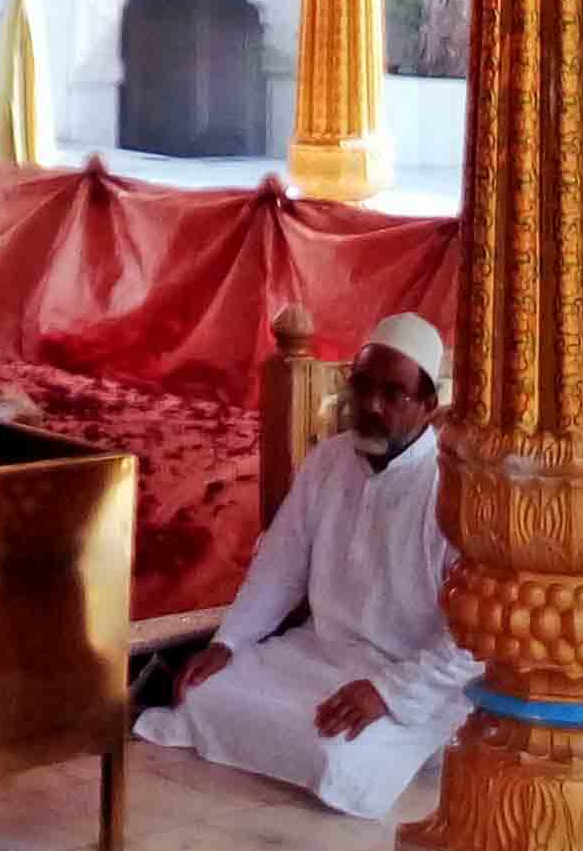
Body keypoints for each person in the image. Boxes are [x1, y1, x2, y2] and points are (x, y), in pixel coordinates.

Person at [135, 311, 481, 819]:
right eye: (362, 387)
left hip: (412, 680)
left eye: (393, 394)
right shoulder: (328, 462)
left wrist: (388, 693)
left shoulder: (455, 489)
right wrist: (229, 642)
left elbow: (476, 636)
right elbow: (279, 566)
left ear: (429, 406)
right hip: (316, 655)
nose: (371, 405)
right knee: (202, 695)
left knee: (338, 754)